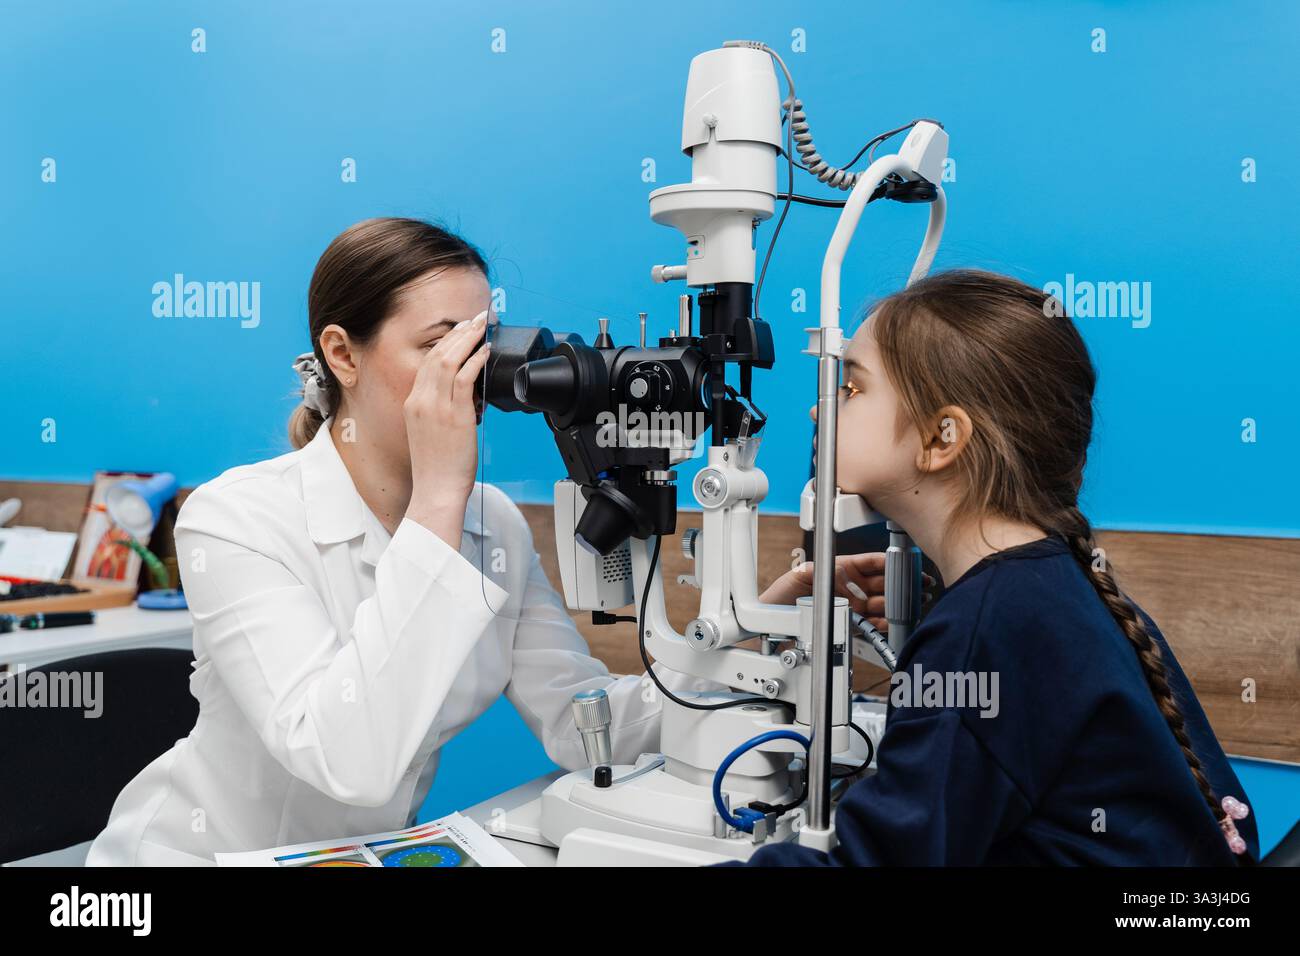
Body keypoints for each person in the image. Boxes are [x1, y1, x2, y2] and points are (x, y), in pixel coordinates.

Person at [89, 217, 844, 865]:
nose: (473, 374)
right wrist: (441, 494)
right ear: (343, 355)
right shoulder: (237, 518)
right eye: (438, 344)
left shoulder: (495, 525)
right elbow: (347, 760)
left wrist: (742, 647)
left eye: (481, 341)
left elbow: (588, 727)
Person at [743, 269, 1257, 865]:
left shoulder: (986, 628)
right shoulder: (1049, 589)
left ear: (941, 438)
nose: (818, 411)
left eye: (852, 390)